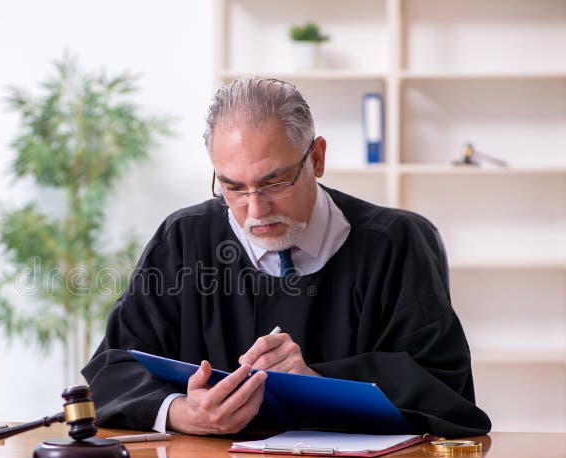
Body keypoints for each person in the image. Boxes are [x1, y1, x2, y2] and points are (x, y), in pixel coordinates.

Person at [82, 78, 491, 438]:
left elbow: (446, 390)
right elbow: (111, 370)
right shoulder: (183, 240)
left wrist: (317, 381)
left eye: (273, 182)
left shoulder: (395, 244)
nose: (255, 211)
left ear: (316, 159)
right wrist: (182, 413)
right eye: (233, 188)